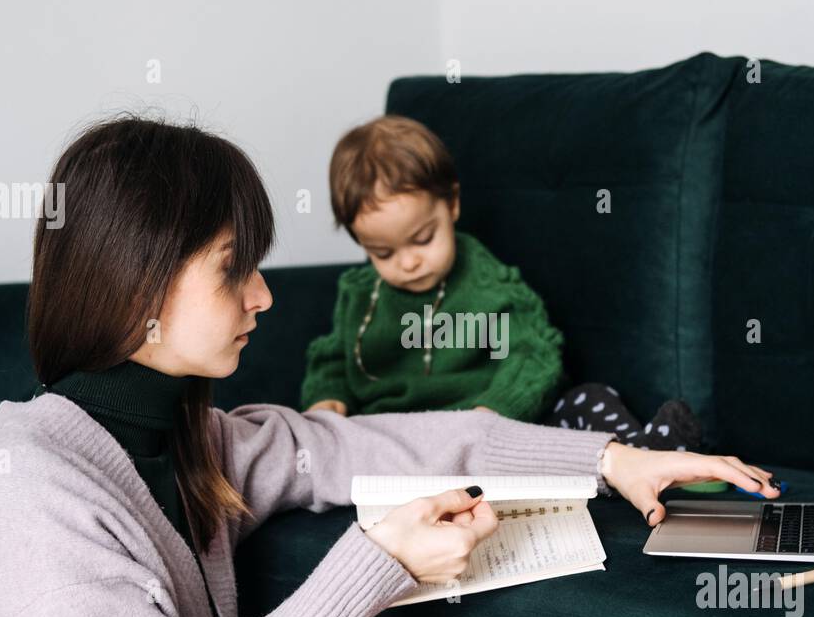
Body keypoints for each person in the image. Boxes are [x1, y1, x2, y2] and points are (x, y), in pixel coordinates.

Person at [0, 114, 779, 617]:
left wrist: (611, 459)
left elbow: (390, 446)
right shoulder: (26, 500)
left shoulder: (193, 442)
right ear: (142, 291)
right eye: (232, 269)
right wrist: (374, 560)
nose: (264, 297)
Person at [302, 115, 708, 451]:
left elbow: (537, 353)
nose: (408, 262)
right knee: (319, 442)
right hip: (394, 442)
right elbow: (332, 360)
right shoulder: (359, 294)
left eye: (423, 238)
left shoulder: (487, 284)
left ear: (452, 204)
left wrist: (492, 412)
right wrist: (327, 402)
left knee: (589, 398)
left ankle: (645, 451)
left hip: (489, 430)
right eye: (383, 252)